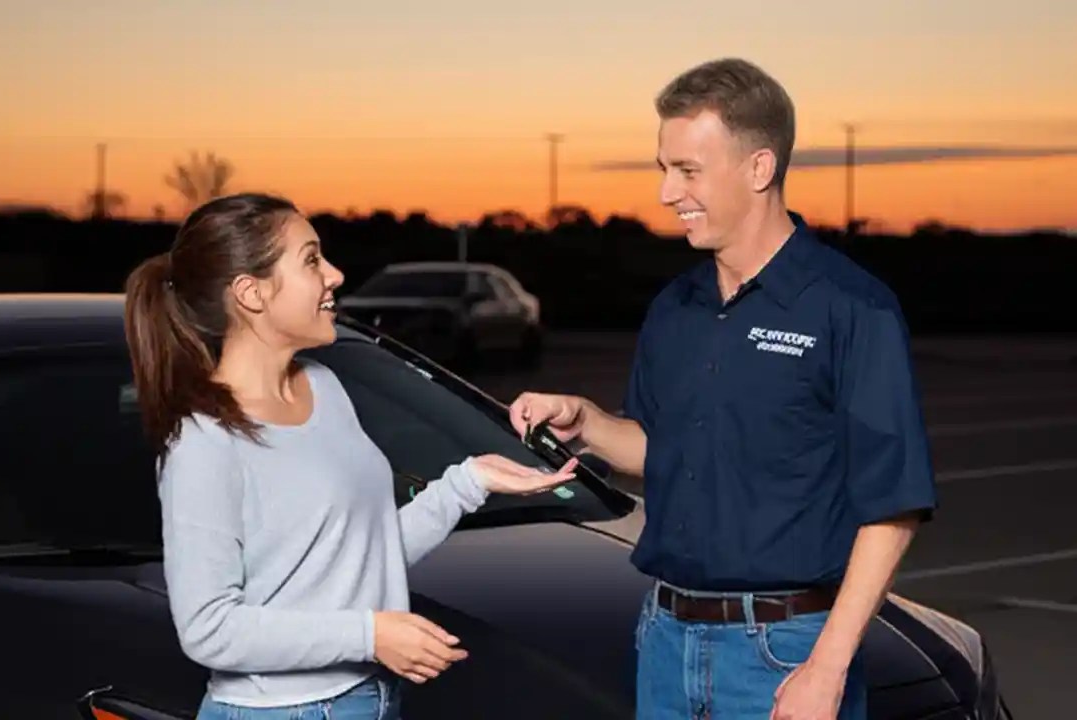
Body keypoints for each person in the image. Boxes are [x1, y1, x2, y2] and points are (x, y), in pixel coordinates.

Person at [509, 58, 937, 720]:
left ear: (759, 169)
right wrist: (589, 422)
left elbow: (893, 508)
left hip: (787, 652)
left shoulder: (852, 309)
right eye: (663, 167)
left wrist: (828, 665)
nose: (665, 192)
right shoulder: (673, 309)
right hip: (665, 640)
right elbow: (658, 449)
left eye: (687, 170)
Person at [123, 193, 578, 720]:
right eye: (312, 260)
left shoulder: (324, 387)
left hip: (370, 700)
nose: (335, 275)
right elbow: (208, 629)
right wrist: (369, 634)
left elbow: (361, 559)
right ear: (251, 293)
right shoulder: (205, 440)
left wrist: (467, 483)